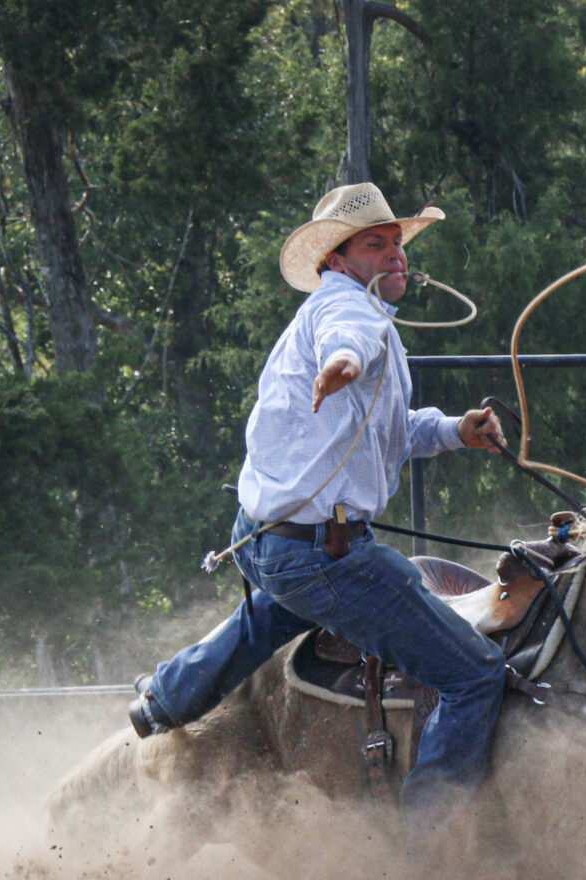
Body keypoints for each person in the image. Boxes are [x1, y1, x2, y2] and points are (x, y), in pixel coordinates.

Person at [131, 182, 508, 831]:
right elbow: (349, 344)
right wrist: (342, 363)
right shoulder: (351, 315)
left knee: (270, 618)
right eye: (375, 244)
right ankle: (423, 849)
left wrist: (453, 429)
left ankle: (165, 698)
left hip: (266, 538)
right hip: (327, 556)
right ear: (337, 259)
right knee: (475, 673)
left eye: (397, 243)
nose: (395, 256)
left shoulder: (343, 313)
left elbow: (384, 429)